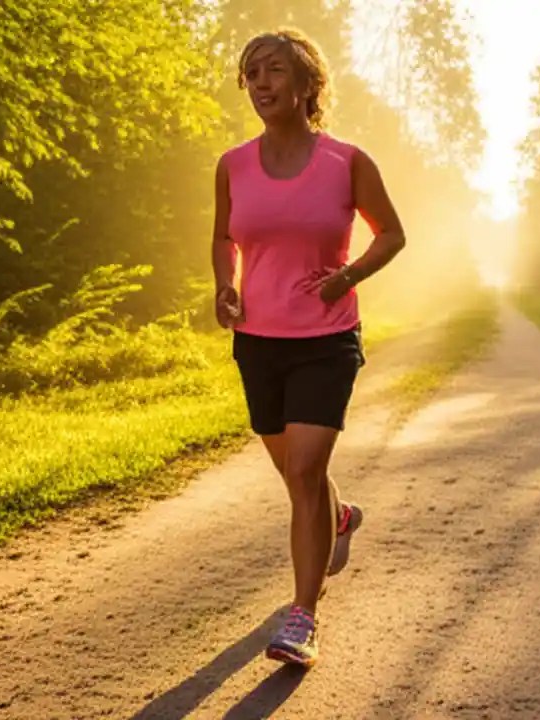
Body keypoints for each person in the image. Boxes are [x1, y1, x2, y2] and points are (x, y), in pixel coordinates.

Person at [210, 27, 406, 668]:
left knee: (302, 471)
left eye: (274, 70)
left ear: (306, 83)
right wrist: (224, 286)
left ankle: (303, 619)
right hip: (257, 342)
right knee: (300, 477)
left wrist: (347, 277)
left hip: (326, 339)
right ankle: (338, 517)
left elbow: (391, 234)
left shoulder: (346, 162)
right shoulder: (233, 165)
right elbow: (224, 238)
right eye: (252, 73)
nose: (261, 83)